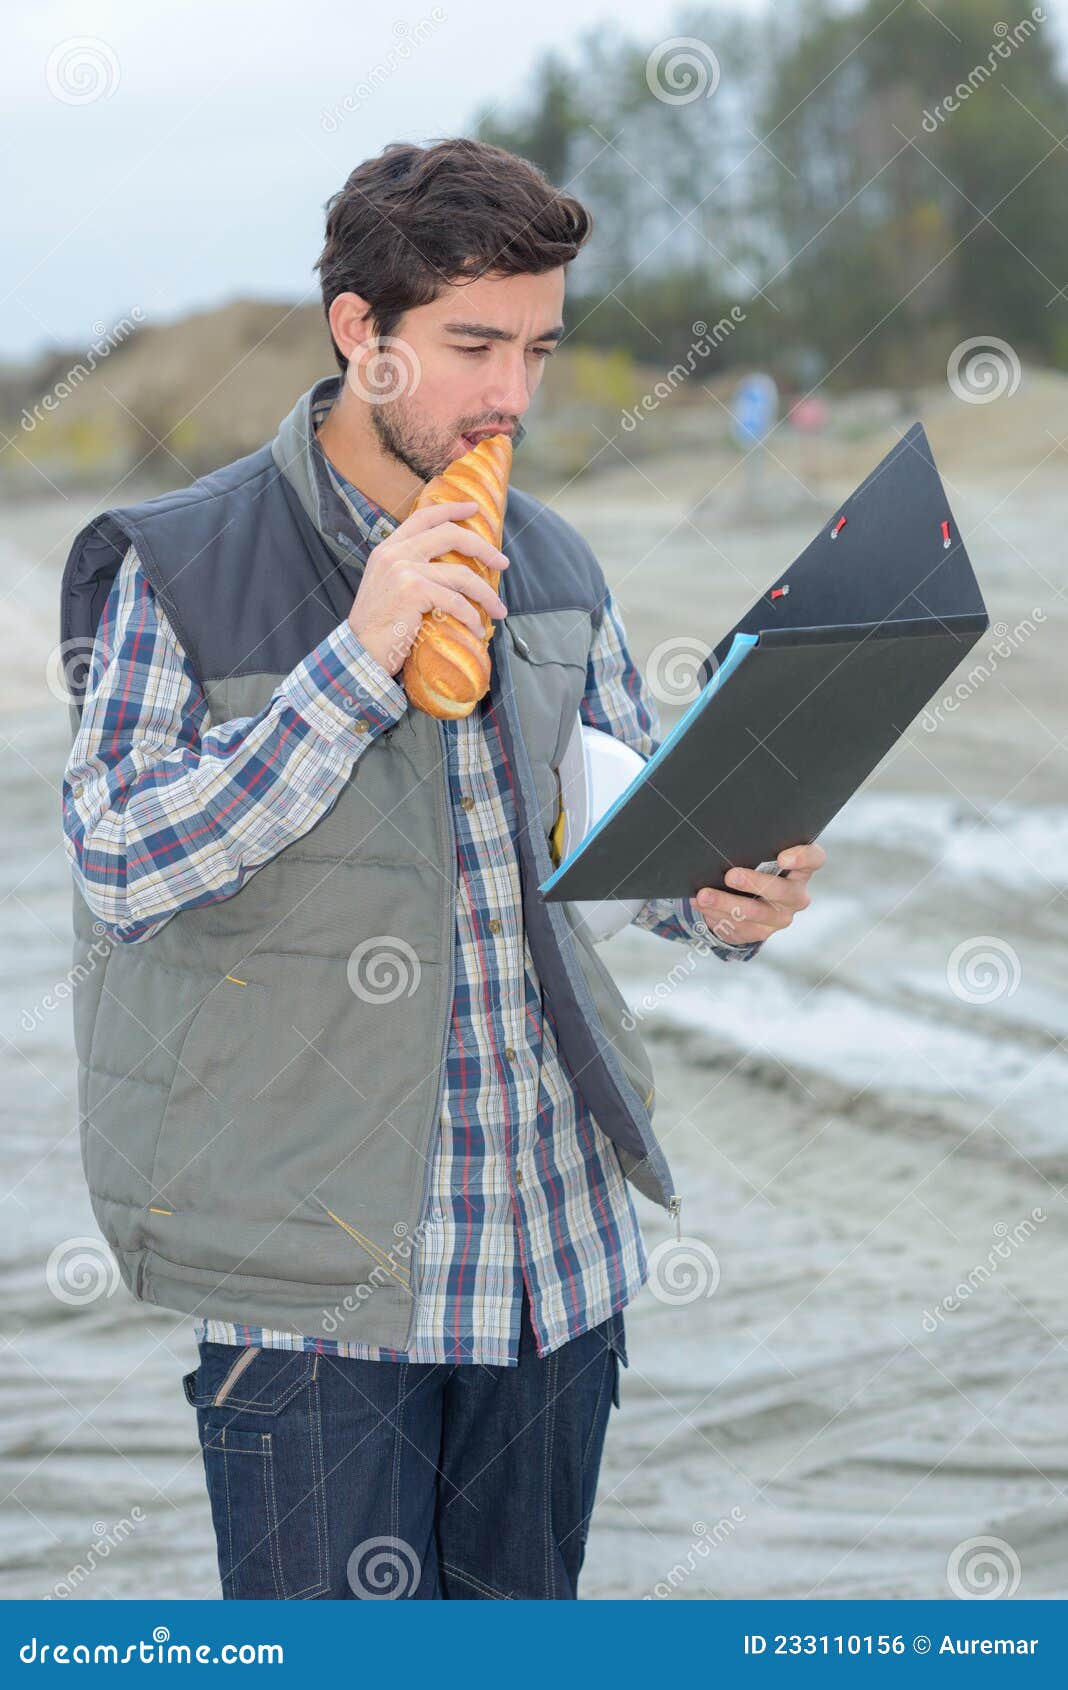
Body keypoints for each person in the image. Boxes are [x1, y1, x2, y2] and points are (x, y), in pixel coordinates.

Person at [60, 137, 825, 1601]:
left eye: (537, 349)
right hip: (316, 1297)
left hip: (555, 1268)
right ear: (363, 333)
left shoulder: (549, 561)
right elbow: (121, 859)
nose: (511, 396)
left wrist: (729, 895)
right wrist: (354, 660)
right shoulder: (182, 565)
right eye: (474, 345)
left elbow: (621, 839)